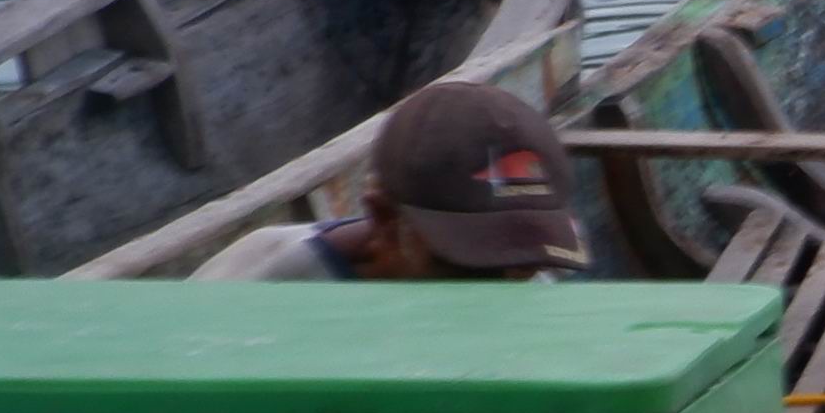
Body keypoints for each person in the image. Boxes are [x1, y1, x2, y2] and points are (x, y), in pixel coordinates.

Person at [203, 79, 594, 281]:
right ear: (384, 219)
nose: (504, 287)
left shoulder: (522, 288)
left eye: (525, 266)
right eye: (469, 266)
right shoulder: (257, 289)